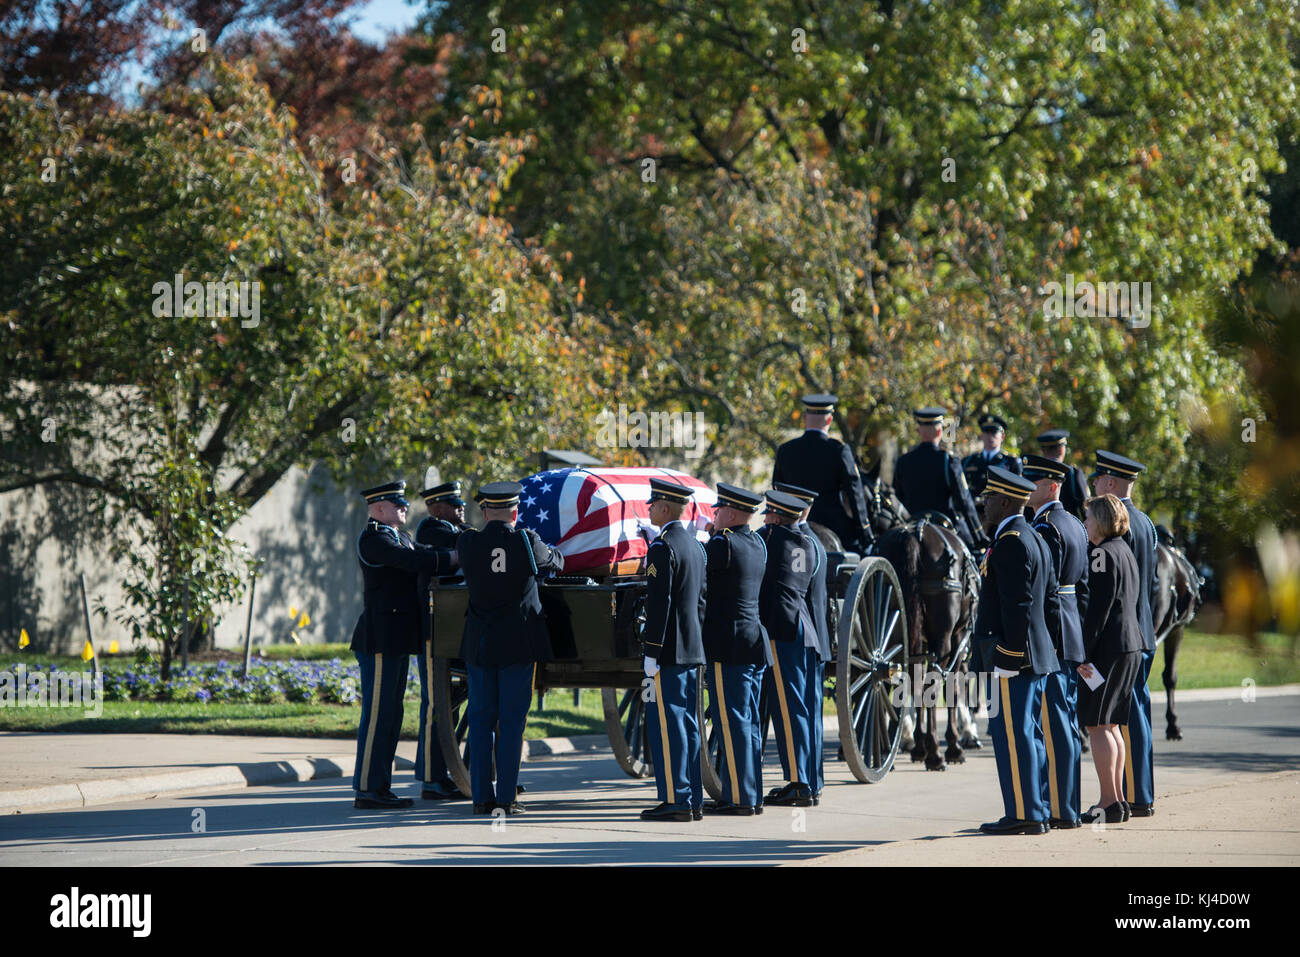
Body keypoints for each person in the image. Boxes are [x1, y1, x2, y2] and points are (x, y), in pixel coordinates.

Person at [457, 481, 564, 815]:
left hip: (480, 645)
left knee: (480, 719)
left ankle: (480, 798)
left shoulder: (468, 541)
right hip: (517, 645)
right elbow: (555, 562)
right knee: (512, 721)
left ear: (485, 511)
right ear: (516, 512)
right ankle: (506, 797)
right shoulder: (526, 540)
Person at [350, 480, 457, 810]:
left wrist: (453, 555)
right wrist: (453, 557)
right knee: (379, 714)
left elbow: (422, 554)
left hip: (395, 639)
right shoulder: (375, 539)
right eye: (398, 505)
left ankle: (379, 786)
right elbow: (412, 562)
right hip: (380, 638)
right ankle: (369, 788)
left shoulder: (401, 537)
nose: (405, 508)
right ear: (378, 508)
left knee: (391, 713)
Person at [974, 467, 1061, 835]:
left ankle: (1024, 813)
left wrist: (1007, 657)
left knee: (1014, 735)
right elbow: (1052, 602)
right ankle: (1035, 810)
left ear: (1007, 500)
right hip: (1035, 655)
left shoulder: (1011, 540)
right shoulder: (1032, 536)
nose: (985, 504)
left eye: (990, 498)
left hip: (1015, 658)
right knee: (1029, 734)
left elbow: (1019, 605)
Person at [1090, 450, 1159, 817]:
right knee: (1139, 714)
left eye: (1099, 480)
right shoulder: (1146, 522)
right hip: (1144, 633)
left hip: (1121, 637)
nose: (1096, 485)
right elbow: (1154, 584)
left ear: (1112, 483)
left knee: (1121, 716)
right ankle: (1141, 792)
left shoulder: (1119, 523)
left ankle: (1131, 795)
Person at [1024, 454, 1090, 828]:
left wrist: (1044, 637)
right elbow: (1083, 591)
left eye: (1032, 481)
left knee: (1053, 724)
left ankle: (1059, 808)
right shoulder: (1077, 525)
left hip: (1052, 634)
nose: (1026, 487)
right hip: (1070, 632)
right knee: (1062, 722)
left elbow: (1046, 591)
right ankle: (1067, 805)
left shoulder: (1046, 527)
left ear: (1051, 485)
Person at [640, 477, 707, 822]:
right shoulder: (695, 546)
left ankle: (675, 799)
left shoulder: (661, 548)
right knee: (688, 724)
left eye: (652, 503)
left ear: (665, 507)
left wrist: (651, 651)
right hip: (691, 650)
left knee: (669, 724)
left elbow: (659, 604)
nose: (649, 508)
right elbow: (700, 604)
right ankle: (692, 797)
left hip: (668, 652)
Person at [1077, 494, 1145, 824]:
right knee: (1112, 724)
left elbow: (1098, 611)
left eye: (1089, 518)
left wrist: (1082, 653)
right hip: (1130, 645)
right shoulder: (1124, 550)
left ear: (1102, 520)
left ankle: (1107, 801)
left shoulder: (1102, 554)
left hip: (1108, 650)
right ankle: (1116, 800)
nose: (1085, 523)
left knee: (1097, 724)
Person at [701, 483, 768, 816]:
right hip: (753, 641)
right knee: (749, 722)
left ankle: (739, 798)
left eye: (718, 509)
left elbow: (696, 567)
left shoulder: (722, 543)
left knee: (733, 722)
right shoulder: (756, 543)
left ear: (729, 511)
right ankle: (750, 794)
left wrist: (706, 534)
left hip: (727, 645)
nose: (715, 514)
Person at [758, 489, 819, 808]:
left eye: (768, 514)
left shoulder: (774, 541)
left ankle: (799, 783)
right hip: (804, 628)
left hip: (782, 630)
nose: (764, 519)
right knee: (800, 708)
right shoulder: (806, 541)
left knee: (787, 709)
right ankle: (806, 779)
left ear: (777, 518)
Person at [412, 480, 470, 801]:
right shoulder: (431, 529)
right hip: (436, 633)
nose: (460, 507)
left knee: (447, 706)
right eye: (452, 502)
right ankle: (432, 779)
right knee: (437, 705)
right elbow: (464, 546)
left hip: (453, 633)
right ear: (436, 508)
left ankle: (440, 774)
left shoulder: (459, 530)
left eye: (459, 502)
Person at [775, 482, 831, 803]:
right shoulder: (815, 542)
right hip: (816, 638)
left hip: (798, 636)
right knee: (809, 713)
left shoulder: (797, 543)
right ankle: (812, 780)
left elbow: (791, 595)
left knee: (795, 710)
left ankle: (800, 783)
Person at [772, 394, 873, 553]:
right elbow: (854, 492)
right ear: (829, 420)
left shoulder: (785, 450)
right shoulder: (838, 450)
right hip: (834, 527)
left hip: (792, 525)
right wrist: (865, 531)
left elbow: (776, 490)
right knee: (867, 552)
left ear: (805, 418)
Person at [894, 407, 988, 550]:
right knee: (975, 557)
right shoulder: (948, 460)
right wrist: (979, 535)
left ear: (918, 431)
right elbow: (964, 501)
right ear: (940, 432)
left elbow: (897, 498)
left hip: (911, 527)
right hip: (944, 525)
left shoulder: (903, 461)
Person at [961, 413, 1022, 502]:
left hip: (1000, 511)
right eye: (986, 432)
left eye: (994, 432)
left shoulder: (1011, 462)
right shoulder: (968, 461)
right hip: (973, 511)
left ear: (1002, 436)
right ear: (981, 435)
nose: (990, 436)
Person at [1036, 429, 1088, 521]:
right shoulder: (1073, 474)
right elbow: (1085, 509)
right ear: (1061, 449)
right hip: (1069, 529)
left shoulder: (1033, 473)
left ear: (1043, 450)